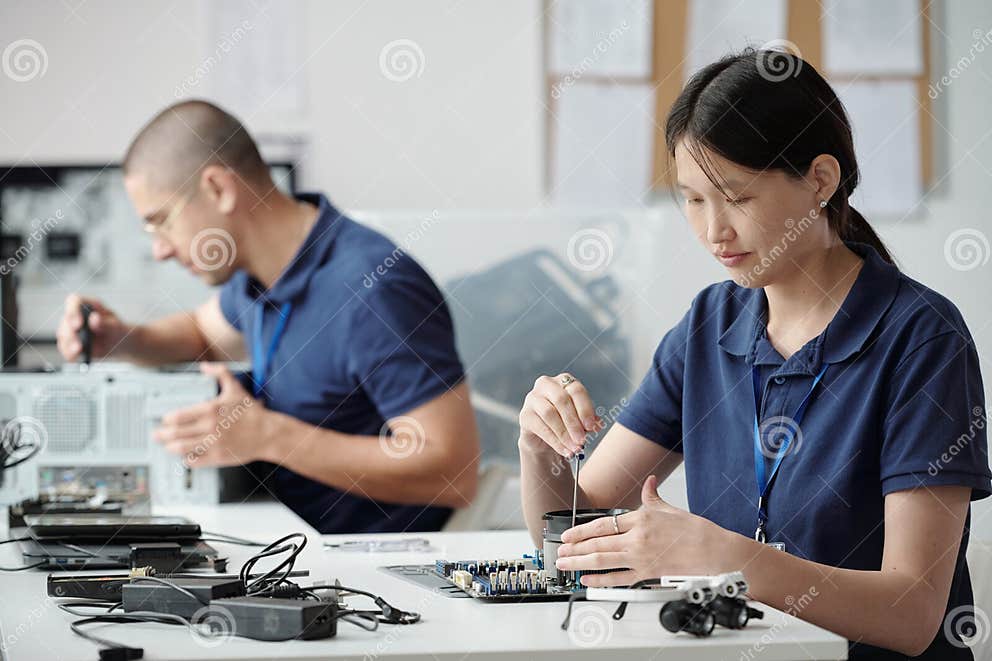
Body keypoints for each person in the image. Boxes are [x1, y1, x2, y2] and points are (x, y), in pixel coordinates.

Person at [518, 49, 991, 660]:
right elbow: (575, 534)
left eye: (736, 198)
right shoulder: (709, 324)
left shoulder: (921, 338)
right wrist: (538, 449)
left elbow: (913, 614)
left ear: (820, 179)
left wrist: (725, 556)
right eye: (692, 200)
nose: (713, 230)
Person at [56, 100, 479, 534]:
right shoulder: (260, 274)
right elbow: (203, 333)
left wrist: (268, 437)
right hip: (288, 544)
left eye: (162, 222)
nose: (161, 250)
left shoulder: (374, 289)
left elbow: (452, 473)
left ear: (219, 188)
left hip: (371, 569)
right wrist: (122, 339)